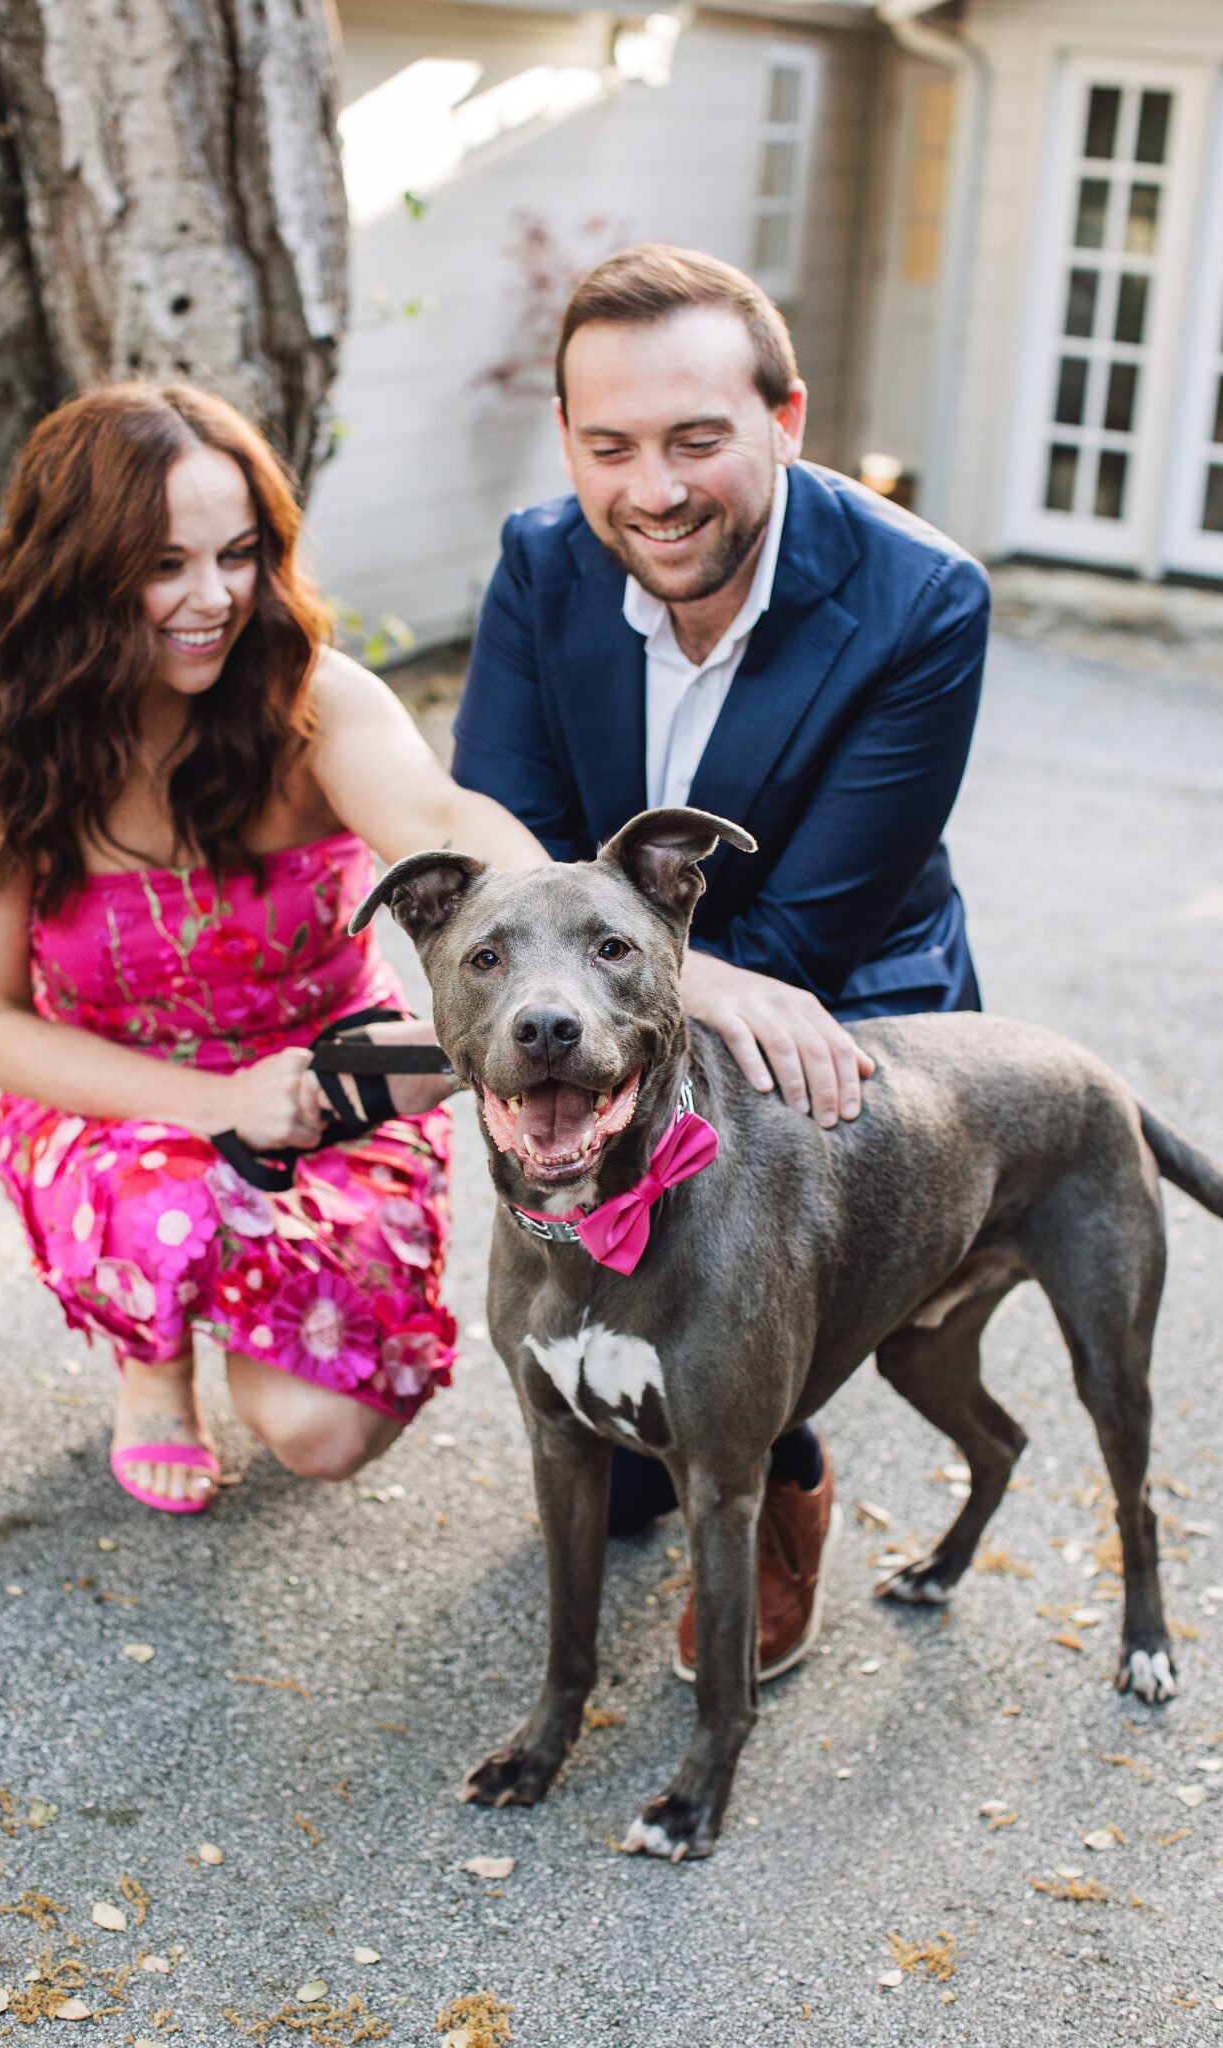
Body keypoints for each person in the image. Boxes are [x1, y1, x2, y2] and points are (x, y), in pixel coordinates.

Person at [452, 245, 990, 1683]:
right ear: (568, 438)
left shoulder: (922, 600)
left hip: (845, 992)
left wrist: (675, 986)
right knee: (623, 1434)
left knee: (739, 1331)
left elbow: (802, 935)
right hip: (620, 977)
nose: (655, 487)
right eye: (610, 445)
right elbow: (498, 828)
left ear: (786, 420)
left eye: (698, 439)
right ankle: (624, 1415)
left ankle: (779, 1481)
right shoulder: (538, 558)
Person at [0, 382, 543, 1515]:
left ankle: (218, 1284)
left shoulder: (313, 701)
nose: (211, 599)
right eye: (164, 564)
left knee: (325, 1432)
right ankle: (151, 1350)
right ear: (80, 574)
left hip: (326, 1082)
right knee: (171, 1213)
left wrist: (570, 931)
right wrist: (212, 1100)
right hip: (112, 1092)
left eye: (239, 553)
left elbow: (446, 826)